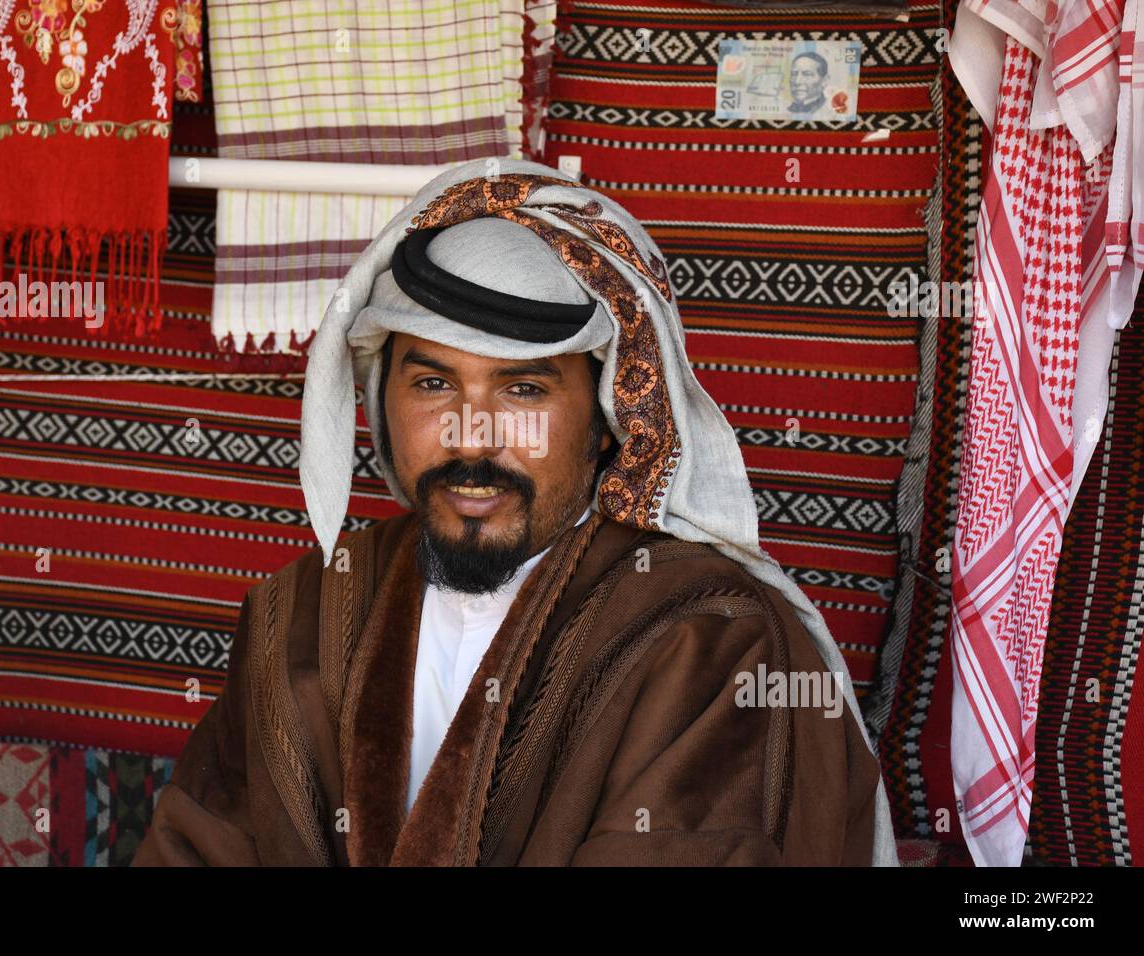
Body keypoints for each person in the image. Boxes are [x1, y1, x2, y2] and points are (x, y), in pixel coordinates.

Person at [132, 158, 898, 866]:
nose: (473, 435)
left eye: (523, 390)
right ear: (380, 401)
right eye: (433, 385)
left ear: (604, 420)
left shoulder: (707, 640)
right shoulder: (298, 610)